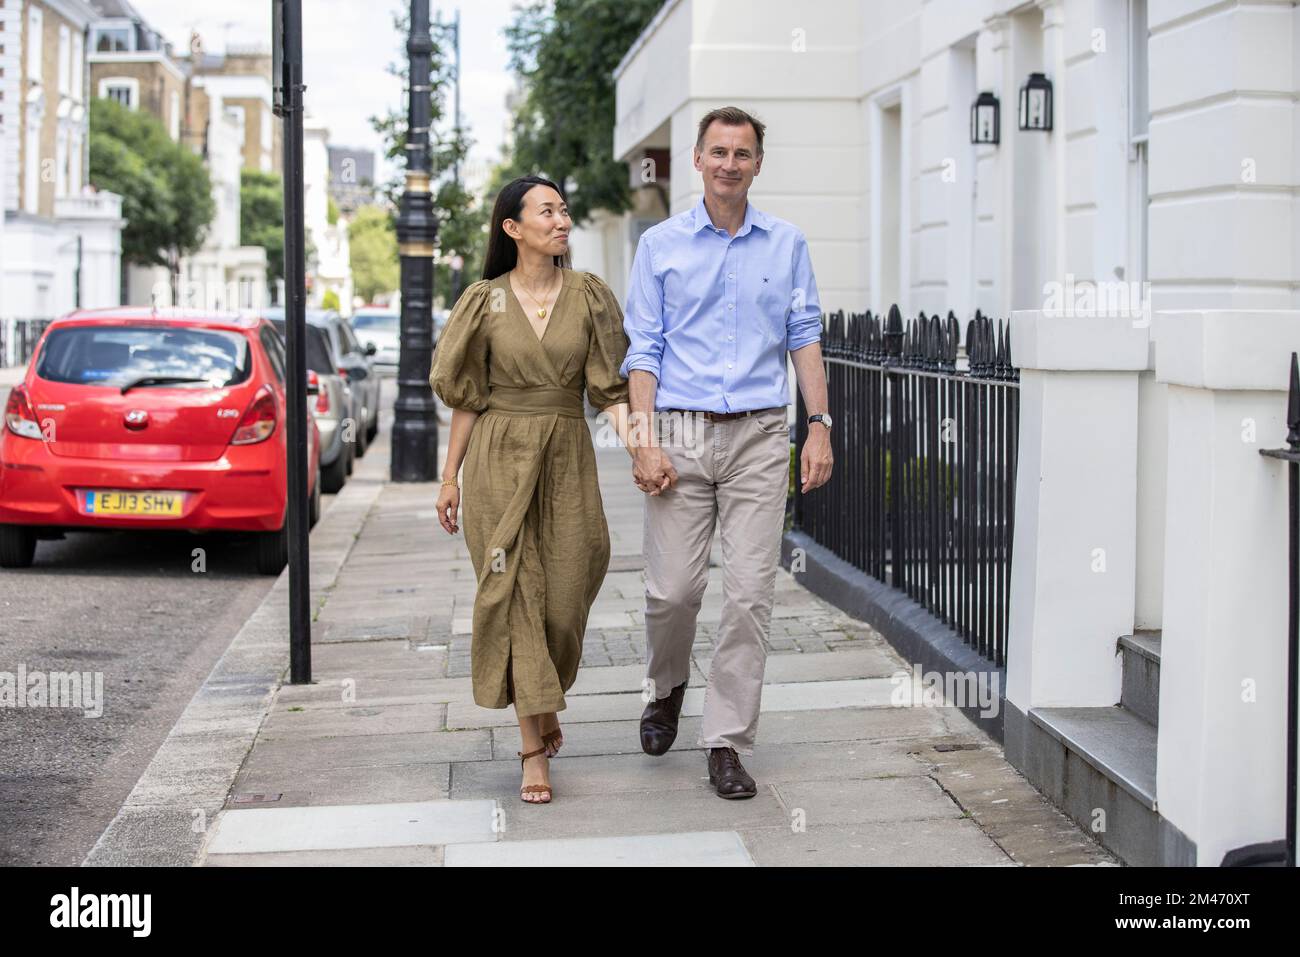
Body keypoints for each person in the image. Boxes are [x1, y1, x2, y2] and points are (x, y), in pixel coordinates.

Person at [622, 106, 835, 799]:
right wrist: (643, 438)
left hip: (759, 434)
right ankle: (667, 684)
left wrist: (820, 423)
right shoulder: (660, 245)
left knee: (749, 594)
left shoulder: (787, 243)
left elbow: (804, 333)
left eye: (742, 154)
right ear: (697, 159)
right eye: (718, 152)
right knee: (672, 591)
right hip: (679, 432)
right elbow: (643, 348)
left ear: (757, 164)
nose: (729, 164)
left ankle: (726, 740)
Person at [430, 175, 636, 805]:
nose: (562, 220)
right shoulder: (482, 301)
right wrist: (449, 477)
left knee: (567, 592)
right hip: (497, 459)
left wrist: (644, 448)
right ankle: (530, 751)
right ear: (513, 228)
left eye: (565, 211)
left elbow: (610, 392)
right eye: (547, 211)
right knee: (514, 590)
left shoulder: (590, 296)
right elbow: (467, 397)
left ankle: (546, 700)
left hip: (568, 457)